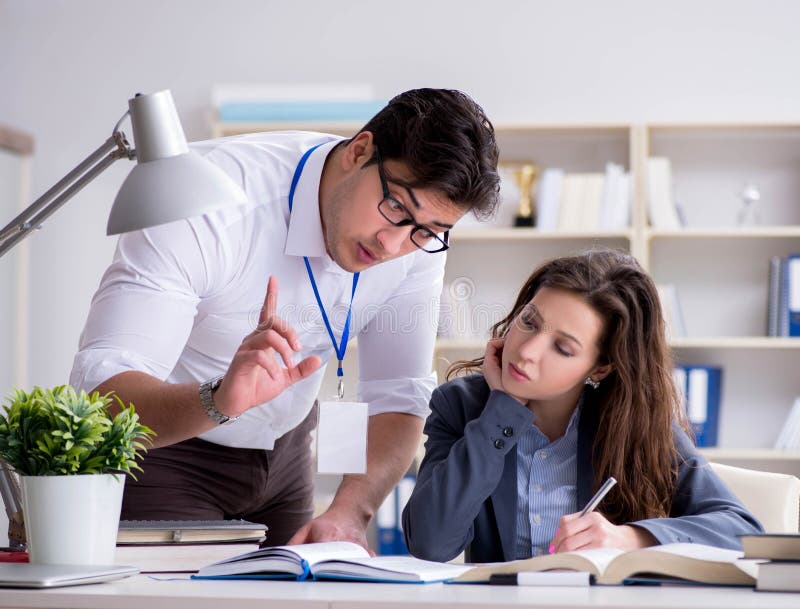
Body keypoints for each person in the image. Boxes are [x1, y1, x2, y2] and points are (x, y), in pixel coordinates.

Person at [69, 88, 500, 548]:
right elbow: (101, 390)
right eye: (395, 207)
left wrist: (350, 512)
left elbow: (399, 392)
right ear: (359, 151)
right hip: (170, 449)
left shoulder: (417, 239)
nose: (392, 245)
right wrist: (218, 399)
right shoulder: (203, 203)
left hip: (288, 451)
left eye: (428, 232)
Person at [402, 249, 763, 563]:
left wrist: (631, 539)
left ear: (600, 367)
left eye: (563, 348)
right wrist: (503, 411)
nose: (527, 351)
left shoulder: (633, 421)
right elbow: (430, 544)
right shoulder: (460, 406)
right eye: (529, 322)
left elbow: (742, 531)